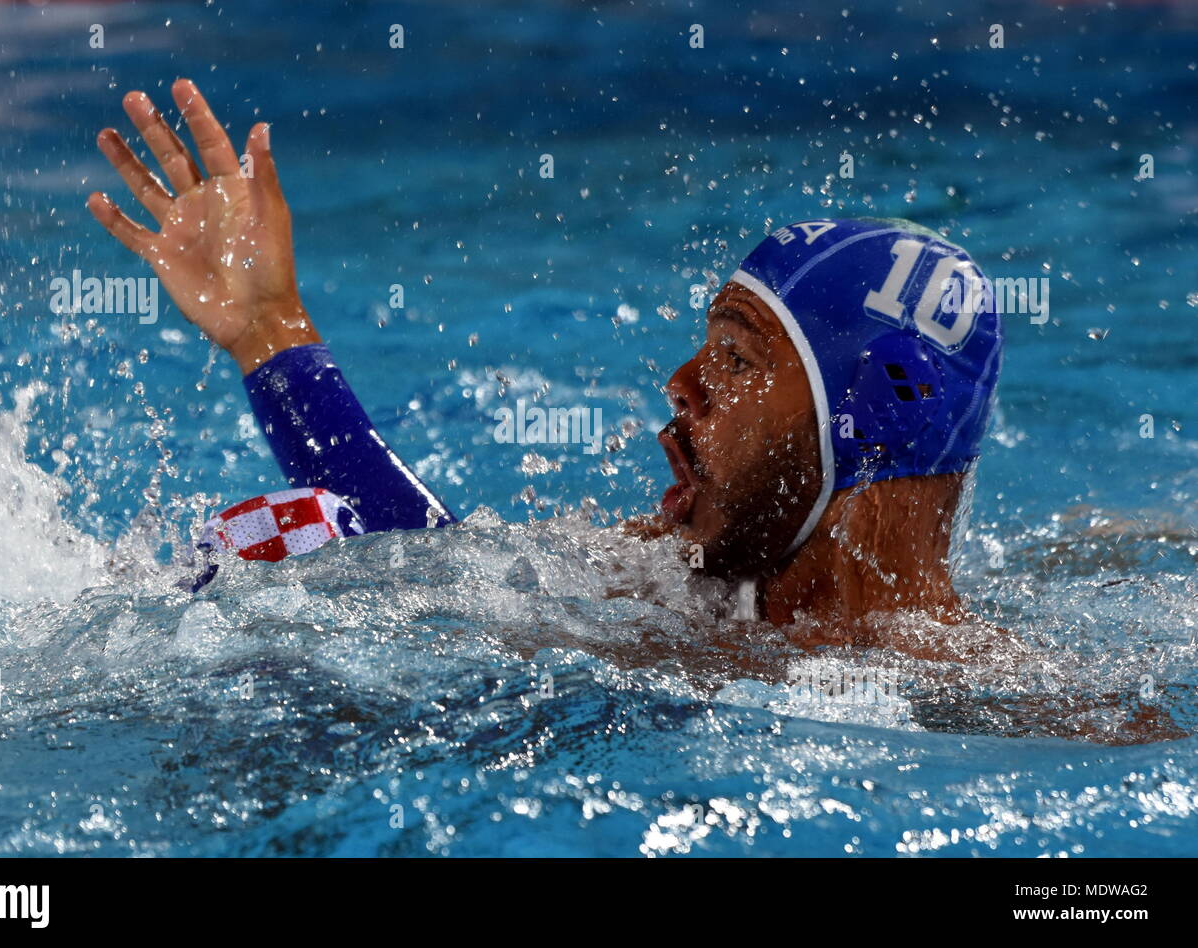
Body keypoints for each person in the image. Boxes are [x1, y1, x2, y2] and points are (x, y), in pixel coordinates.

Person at [87, 80, 994, 664]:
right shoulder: (661, 585)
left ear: (876, 425)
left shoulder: (967, 703)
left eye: (736, 357)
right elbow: (428, 568)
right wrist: (269, 333)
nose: (682, 384)